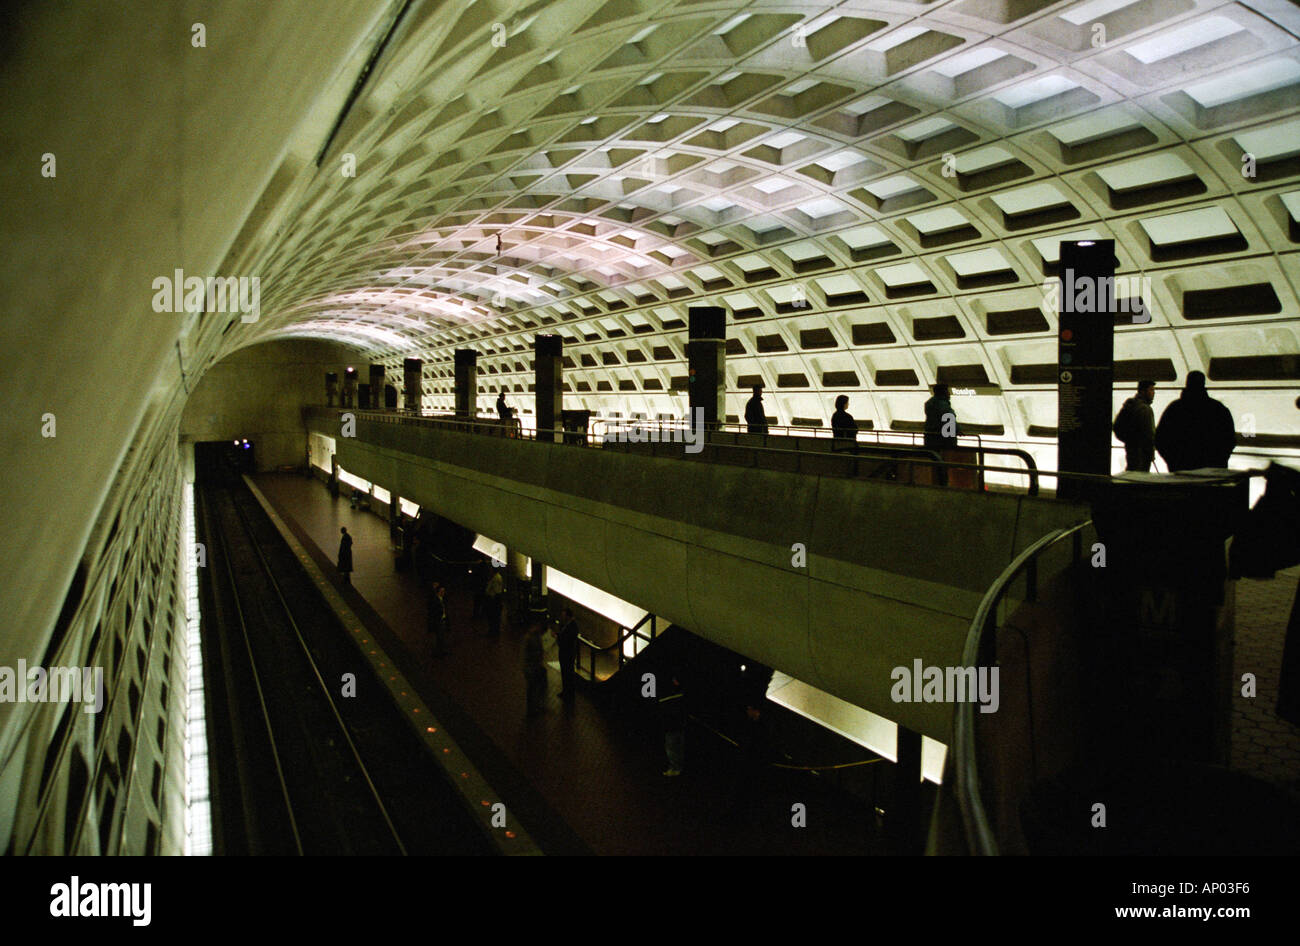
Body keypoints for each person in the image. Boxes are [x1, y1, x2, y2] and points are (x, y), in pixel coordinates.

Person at [1155, 371, 1236, 471]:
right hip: (1212, 472)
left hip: (1181, 470)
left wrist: (1172, 462)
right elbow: (1229, 439)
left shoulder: (1174, 409)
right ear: (1203, 384)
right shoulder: (1218, 409)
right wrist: (1219, 462)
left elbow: (1160, 439)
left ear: (1187, 383)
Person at [1113, 380, 1157, 472]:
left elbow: (1116, 427)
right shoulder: (1145, 409)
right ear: (1143, 391)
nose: (1154, 393)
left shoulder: (1130, 405)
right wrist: (1151, 452)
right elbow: (1149, 434)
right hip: (1143, 453)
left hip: (1131, 450)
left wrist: (1130, 440)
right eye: (1151, 390)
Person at [924, 383, 958, 486]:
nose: (949, 394)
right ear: (943, 392)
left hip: (930, 439)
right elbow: (949, 423)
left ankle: (936, 483)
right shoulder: (943, 405)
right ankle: (943, 484)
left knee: (934, 465)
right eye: (948, 391)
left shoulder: (929, 403)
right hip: (942, 442)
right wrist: (953, 441)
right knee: (943, 465)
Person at [660, 671, 686, 777]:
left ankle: (675, 768)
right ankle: (679, 766)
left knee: (671, 748)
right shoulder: (682, 694)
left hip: (671, 726)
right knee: (679, 747)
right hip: (680, 725)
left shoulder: (667, 696)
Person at [522, 620, 548, 716]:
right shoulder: (533, 638)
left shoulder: (532, 636)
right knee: (533, 688)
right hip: (533, 667)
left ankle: (533, 708)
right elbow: (532, 653)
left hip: (532, 666)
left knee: (532, 688)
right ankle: (533, 709)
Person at [554, 607, 580, 701]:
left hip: (567, 652)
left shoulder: (571, 626)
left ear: (568, 616)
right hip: (566, 652)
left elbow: (568, 639)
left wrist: (558, 637)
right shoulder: (569, 625)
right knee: (566, 672)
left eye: (564, 615)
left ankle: (568, 692)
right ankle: (567, 692)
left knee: (567, 672)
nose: (562, 617)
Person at [427, 581, 449, 656]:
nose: (443, 592)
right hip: (438, 621)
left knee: (441, 637)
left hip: (440, 620)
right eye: (442, 591)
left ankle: (440, 650)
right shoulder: (435, 600)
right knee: (439, 637)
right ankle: (439, 651)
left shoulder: (439, 599)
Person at [484, 568, 504, 635]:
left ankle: (493, 631)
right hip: (496, 598)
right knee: (496, 616)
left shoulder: (495, 578)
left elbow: (496, 590)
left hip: (493, 599)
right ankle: (495, 630)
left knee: (493, 616)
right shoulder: (498, 577)